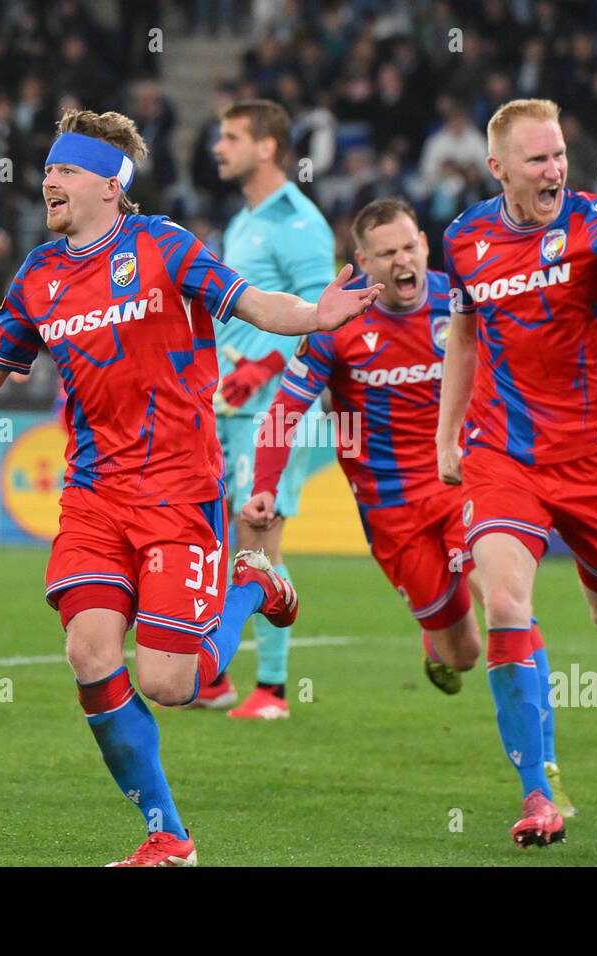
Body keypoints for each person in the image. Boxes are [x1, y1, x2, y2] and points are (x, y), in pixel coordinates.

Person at [0, 108, 381, 867]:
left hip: (178, 490)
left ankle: (253, 584)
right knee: (90, 653)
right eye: (47, 169)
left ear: (110, 185)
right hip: (95, 496)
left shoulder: (164, 246)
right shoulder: (39, 275)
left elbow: (255, 304)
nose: (49, 181)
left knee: (170, 682)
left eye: (65, 170)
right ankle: (167, 835)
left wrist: (315, 316)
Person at [244, 197, 577, 817]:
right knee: (463, 653)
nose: (403, 261)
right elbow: (286, 409)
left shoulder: (462, 300)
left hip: (467, 486)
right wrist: (265, 483)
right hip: (391, 515)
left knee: (507, 603)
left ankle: (542, 774)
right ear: (363, 262)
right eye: (386, 253)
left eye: (409, 247)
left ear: (425, 244)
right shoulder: (339, 322)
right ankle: (436, 647)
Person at [436, 98, 597, 850]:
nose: (554, 170)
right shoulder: (464, 238)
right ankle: (537, 793)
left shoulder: (594, 224)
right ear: (499, 168)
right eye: (538, 159)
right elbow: (464, 336)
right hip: (503, 454)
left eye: (559, 156)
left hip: (595, 460)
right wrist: (448, 436)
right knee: (504, 604)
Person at [203, 99, 337, 719]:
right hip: (232, 406)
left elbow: (321, 314)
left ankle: (274, 689)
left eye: (232, 137)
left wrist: (263, 367)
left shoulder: (300, 223)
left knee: (259, 544)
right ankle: (216, 676)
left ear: (267, 147)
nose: (218, 147)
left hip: (277, 408)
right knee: (229, 543)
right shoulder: (243, 221)